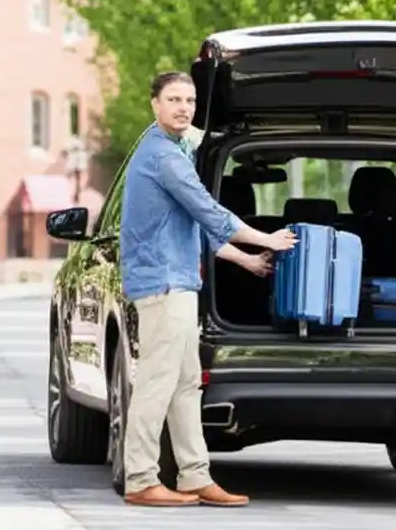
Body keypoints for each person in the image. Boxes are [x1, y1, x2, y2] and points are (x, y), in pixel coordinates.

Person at [118, 71, 298, 508]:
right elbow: (209, 211)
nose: (183, 107)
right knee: (157, 384)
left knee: (185, 385)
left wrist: (247, 260)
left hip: (177, 280)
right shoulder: (165, 158)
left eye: (190, 100)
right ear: (154, 105)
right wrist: (266, 239)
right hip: (163, 284)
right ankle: (141, 479)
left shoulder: (174, 148)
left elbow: (193, 229)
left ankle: (195, 475)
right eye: (174, 99)